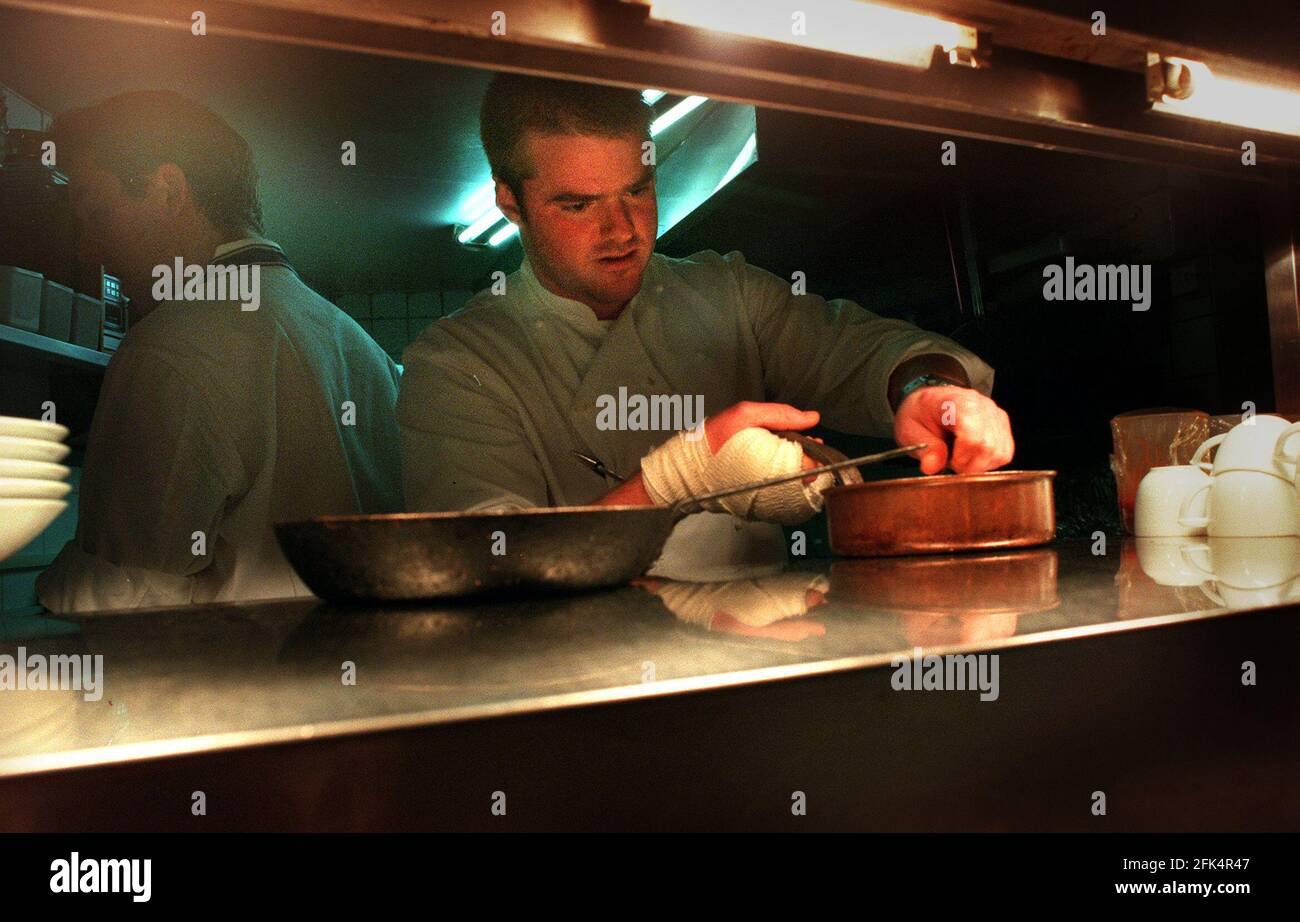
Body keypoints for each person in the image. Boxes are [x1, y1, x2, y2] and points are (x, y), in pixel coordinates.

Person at [398, 75, 1013, 571]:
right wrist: (679, 479)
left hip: (755, 656)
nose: (623, 232)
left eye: (637, 191)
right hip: (579, 687)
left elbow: (861, 350)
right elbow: (488, 570)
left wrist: (926, 389)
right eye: (578, 205)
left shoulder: (727, 292)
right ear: (511, 204)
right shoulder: (456, 365)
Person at [37, 91, 403, 613]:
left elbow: (119, 600)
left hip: (240, 685)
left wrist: (52, 586)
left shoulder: (169, 347)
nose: (87, 249)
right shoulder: (359, 345)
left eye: (96, 213)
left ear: (167, 189)